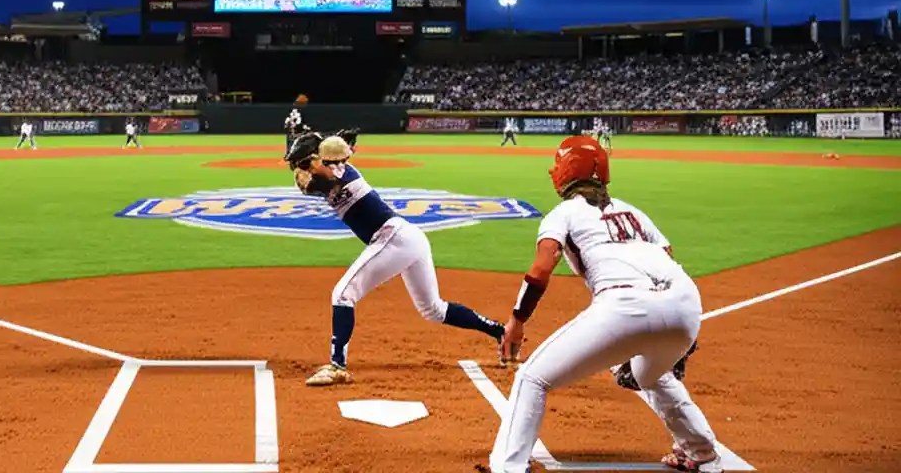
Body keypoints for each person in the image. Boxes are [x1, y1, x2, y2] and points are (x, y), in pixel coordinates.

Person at [484, 136, 721, 473]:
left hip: (625, 307)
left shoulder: (563, 213)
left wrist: (517, 321)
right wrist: (679, 339)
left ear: (568, 170)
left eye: (557, 163)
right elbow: (667, 256)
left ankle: (508, 468)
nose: (553, 170)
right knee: (649, 375)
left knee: (532, 378)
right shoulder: (634, 211)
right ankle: (703, 455)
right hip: (685, 304)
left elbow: (540, 269)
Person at [286, 130, 506, 387]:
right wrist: (316, 160)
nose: (300, 168)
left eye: (303, 163)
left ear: (320, 158)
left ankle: (337, 366)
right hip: (408, 239)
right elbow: (312, 181)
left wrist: (322, 159)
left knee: (343, 295)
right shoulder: (330, 169)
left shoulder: (339, 172)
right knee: (433, 310)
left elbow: (315, 181)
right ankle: (499, 332)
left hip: (393, 238)